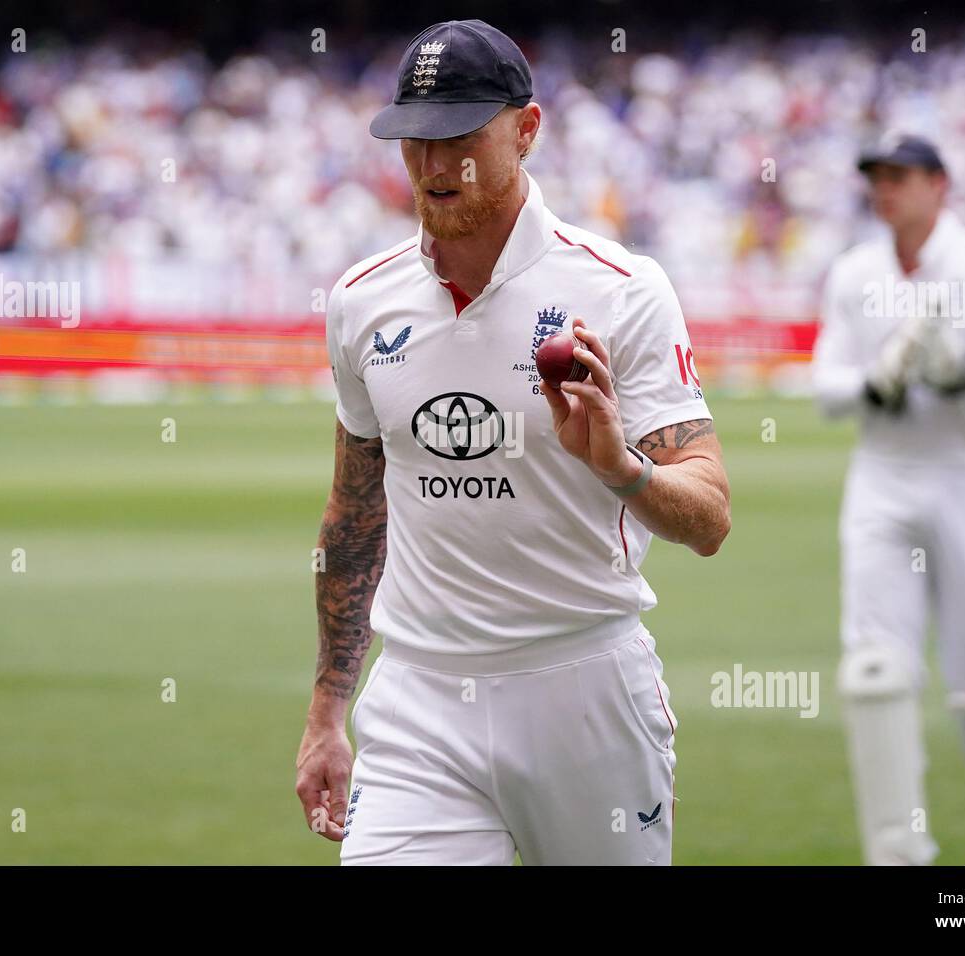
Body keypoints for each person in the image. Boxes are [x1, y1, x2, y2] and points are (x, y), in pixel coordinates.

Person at [294, 19, 730, 865]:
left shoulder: (624, 290)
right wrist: (325, 712)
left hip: (586, 692)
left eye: (458, 136)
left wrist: (620, 467)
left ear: (526, 131)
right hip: (418, 701)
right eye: (412, 139)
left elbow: (708, 518)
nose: (431, 164)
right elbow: (353, 518)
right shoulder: (360, 301)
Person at [812, 133, 965, 865]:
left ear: (939, 184)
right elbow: (826, 389)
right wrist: (874, 385)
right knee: (877, 673)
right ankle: (898, 855)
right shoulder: (855, 272)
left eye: (901, 176)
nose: (887, 189)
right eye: (877, 177)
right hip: (884, 483)